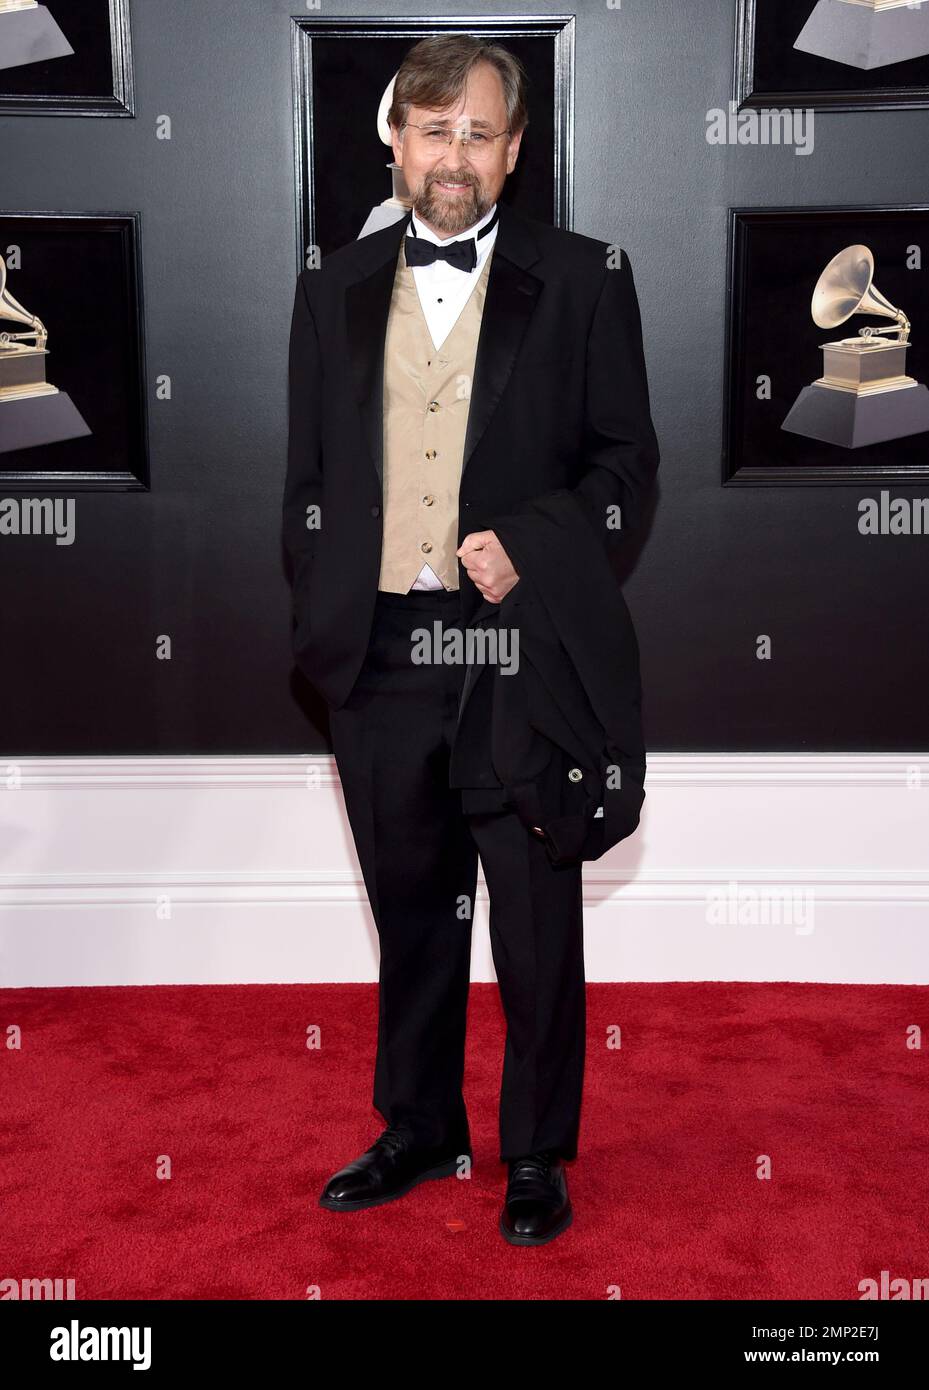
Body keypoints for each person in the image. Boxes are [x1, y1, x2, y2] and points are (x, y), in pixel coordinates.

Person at [282, 33, 659, 1246]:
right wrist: (324, 605)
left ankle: (535, 1150)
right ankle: (419, 1125)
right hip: (380, 650)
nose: (454, 157)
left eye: (479, 133)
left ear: (515, 149)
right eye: (432, 130)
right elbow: (310, 480)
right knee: (410, 904)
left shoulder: (588, 276)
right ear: (395, 139)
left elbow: (624, 470)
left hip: (513, 647)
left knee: (533, 914)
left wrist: (536, 546)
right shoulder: (329, 283)